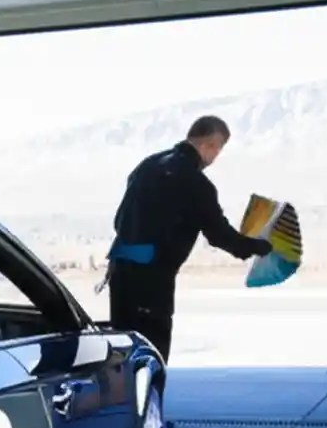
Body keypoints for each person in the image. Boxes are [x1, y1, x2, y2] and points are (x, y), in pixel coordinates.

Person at [102, 115, 273, 363]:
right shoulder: (195, 183)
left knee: (122, 354)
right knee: (151, 358)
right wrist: (259, 246)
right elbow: (219, 235)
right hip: (152, 281)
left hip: (119, 273)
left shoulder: (146, 166)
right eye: (218, 150)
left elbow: (120, 221)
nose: (215, 158)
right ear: (210, 145)